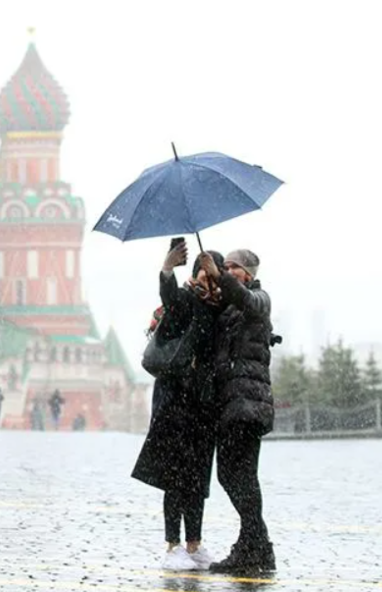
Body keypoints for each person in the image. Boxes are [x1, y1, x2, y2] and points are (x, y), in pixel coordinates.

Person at [133, 242, 220, 572]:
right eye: (199, 273)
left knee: (197, 478)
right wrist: (168, 269)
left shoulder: (219, 310)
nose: (204, 281)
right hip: (174, 401)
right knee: (175, 476)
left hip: (203, 405)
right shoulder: (185, 301)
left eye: (210, 275)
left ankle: (194, 544)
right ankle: (172, 546)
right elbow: (169, 296)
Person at [198, 249, 277, 575]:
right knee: (240, 477)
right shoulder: (230, 304)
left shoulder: (259, 298)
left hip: (247, 402)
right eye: (225, 265)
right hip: (234, 403)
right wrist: (207, 289)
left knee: (236, 476)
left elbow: (245, 299)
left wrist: (219, 275)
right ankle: (253, 547)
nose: (228, 270)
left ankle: (257, 546)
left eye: (233, 267)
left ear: (248, 272)